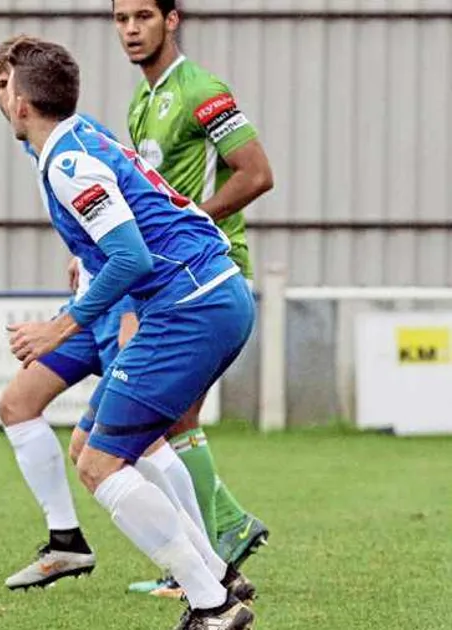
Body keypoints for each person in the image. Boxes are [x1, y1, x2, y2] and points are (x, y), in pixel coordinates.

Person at [1, 38, 256, 629]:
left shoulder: (70, 163)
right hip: (210, 296)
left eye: (5, 86)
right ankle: (215, 576)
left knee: (99, 465)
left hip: (190, 306)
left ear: (19, 103)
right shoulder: (77, 136)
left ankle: (211, 606)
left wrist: (58, 327)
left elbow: (131, 259)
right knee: (91, 444)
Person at [112, 0, 275, 596]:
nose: (131, 29)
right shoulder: (139, 102)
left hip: (207, 271)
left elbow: (255, 173)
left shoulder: (202, 89)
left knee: (160, 415)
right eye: (122, 18)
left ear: (172, 19)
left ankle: (216, 544)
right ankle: (217, 537)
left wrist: (193, 221)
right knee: (172, 416)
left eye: (143, 17)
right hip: (168, 275)